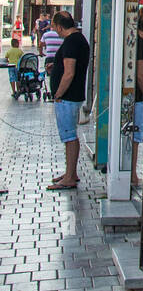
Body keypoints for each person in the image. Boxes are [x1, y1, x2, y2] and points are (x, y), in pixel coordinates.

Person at [47, 11, 90, 191]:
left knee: (69, 136)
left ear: (59, 26)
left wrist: (58, 94)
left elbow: (69, 72)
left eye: (54, 28)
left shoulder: (72, 42)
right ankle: (70, 172)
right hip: (73, 96)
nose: (55, 31)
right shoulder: (79, 39)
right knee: (71, 135)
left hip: (68, 97)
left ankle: (70, 177)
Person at [131, 12, 143, 191]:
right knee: (136, 136)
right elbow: (140, 74)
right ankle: (133, 174)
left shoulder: (133, 40)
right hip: (137, 97)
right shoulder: (141, 42)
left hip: (131, 95)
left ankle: (131, 172)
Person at [40, 21, 64, 100]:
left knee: (51, 76)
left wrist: (41, 52)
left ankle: (53, 92)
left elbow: (41, 44)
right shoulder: (62, 35)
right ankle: (60, 91)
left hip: (49, 57)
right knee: (60, 74)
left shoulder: (46, 35)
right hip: (60, 58)